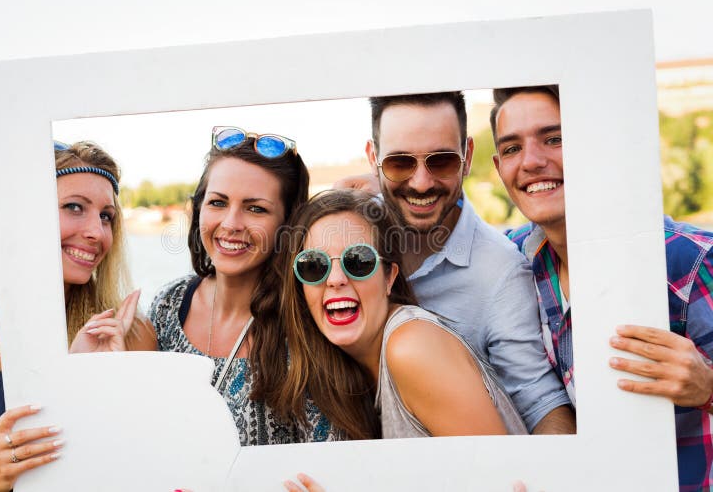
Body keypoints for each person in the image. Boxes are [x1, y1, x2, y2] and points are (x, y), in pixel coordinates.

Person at [491, 85, 713, 490]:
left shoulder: (688, 262)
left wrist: (708, 387)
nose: (532, 162)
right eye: (511, 149)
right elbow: (457, 238)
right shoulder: (516, 259)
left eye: (554, 139)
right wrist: (386, 195)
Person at [0, 141, 154, 492]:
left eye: (106, 216)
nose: (97, 232)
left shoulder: (131, 336)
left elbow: (145, 474)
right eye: (74, 207)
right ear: (21, 216)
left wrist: (87, 383)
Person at [353, 92, 574, 434]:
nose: (421, 182)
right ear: (373, 158)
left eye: (441, 161)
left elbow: (539, 401)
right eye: (400, 163)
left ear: (468, 156)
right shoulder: (346, 236)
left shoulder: (500, 272)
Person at [277, 189, 528, 441]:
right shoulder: (351, 372)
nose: (335, 280)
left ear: (389, 277)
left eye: (358, 261)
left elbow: (496, 473)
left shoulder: (411, 347)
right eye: (313, 265)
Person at [148, 126, 344, 445]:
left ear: (287, 223)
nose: (231, 224)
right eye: (218, 203)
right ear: (199, 208)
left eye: (256, 209)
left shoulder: (307, 325)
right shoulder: (168, 304)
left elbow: (332, 460)